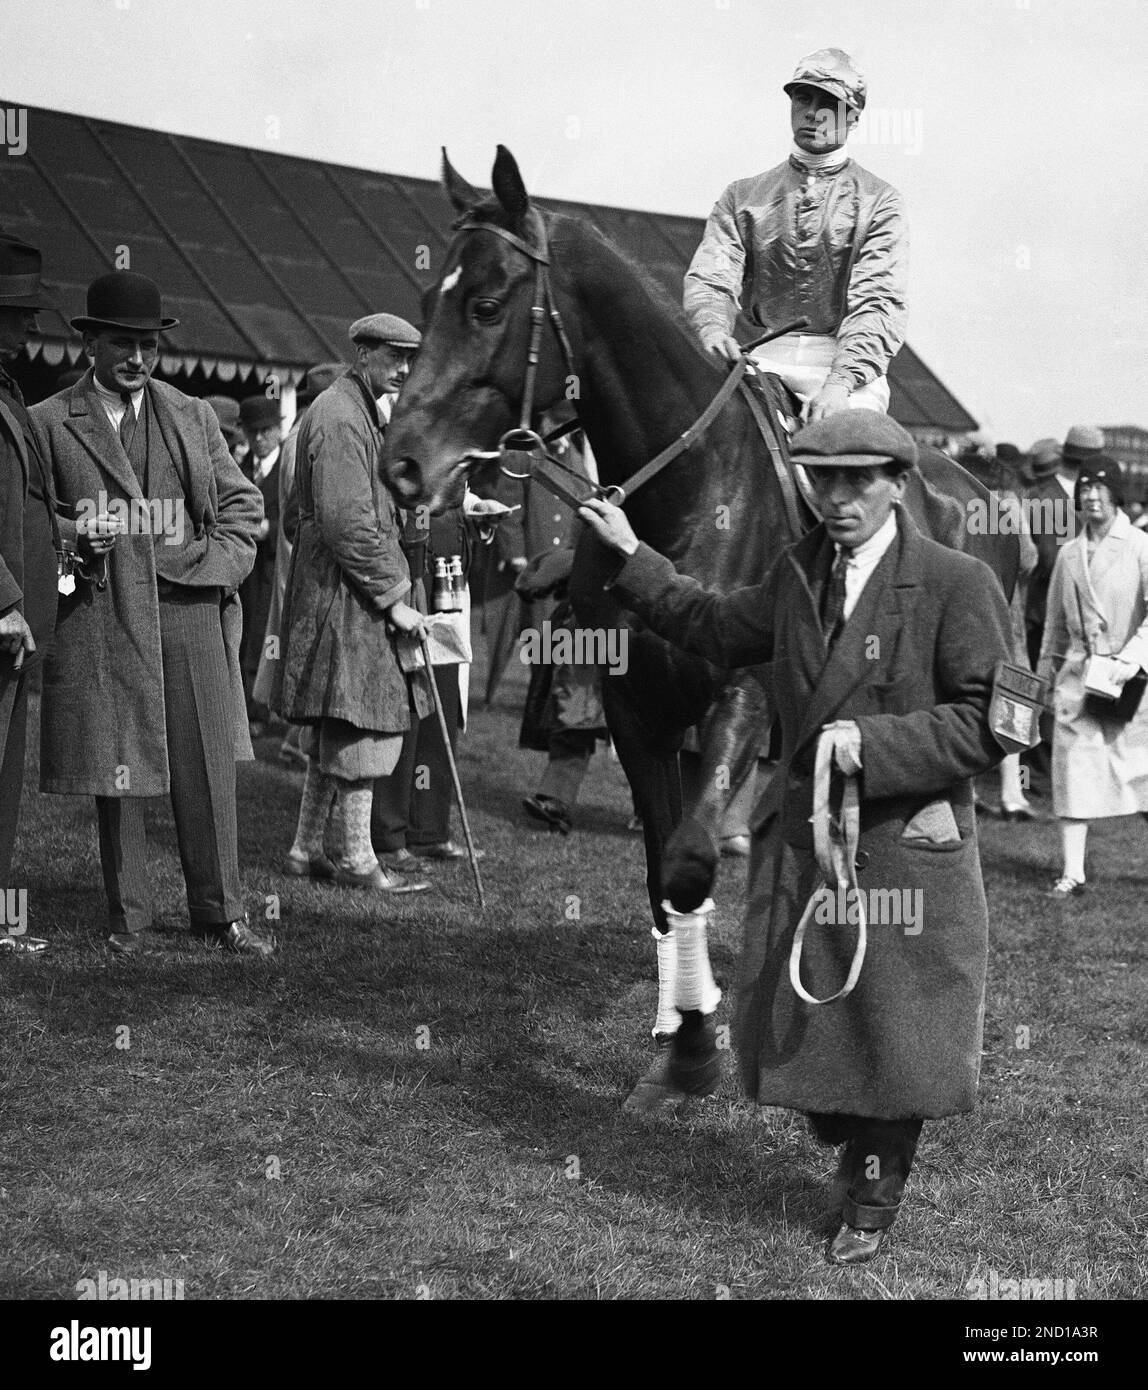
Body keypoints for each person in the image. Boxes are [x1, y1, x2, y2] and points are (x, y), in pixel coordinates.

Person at [580, 410, 1012, 1266]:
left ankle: (872, 1199)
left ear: (898, 484)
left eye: (858, 480)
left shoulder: (959, 582)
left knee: (899, 1034)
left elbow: (998, 722)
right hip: (809, 841)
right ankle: (846, 1129)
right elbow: (710, 625)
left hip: (905, 844)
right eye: (824, 480)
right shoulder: (796, 573)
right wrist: (633, 555)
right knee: (814, 1021)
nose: (838, 498)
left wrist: (875, 745)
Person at [30, 271, 272, 956]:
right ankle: (128, 919)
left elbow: (243, 508)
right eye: (123, 344)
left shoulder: (190, 414)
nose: (137, 358)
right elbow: (27, 517)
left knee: (207, 766)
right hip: (106, 618)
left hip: (189, 615)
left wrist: (211, 568)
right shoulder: (50, 423)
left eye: (147, 345)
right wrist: (75, 534)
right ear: (92, 343)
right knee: (120, 766)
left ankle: (221, 914)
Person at [273, 313, 431, 894]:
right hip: (352, 595)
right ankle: (361, 861)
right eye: (394, 356)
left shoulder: (352, 408)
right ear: (363, 353)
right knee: (364, 719)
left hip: (340, 588)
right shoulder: (342, 416)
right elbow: (345, 522)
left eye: (410, 358)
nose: (405, 368)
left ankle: (304, 849)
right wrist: (395, 598)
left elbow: (301, 519)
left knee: (337, 724)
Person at [684, 47, 907, 420]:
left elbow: (877, 302)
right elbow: (712, 278)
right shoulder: (742, 196)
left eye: (829, 103)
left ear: (853, 116)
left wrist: (840, 383)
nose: (813, 112)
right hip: (764, 357)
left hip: (844, 368)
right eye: (803, 97)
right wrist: (712, 330)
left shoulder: (880, 201)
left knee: (847, 456)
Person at [1037, 456, 1148, 898]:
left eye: (1101, 488)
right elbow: (1054, 625)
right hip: (1078, 680)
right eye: (1084, 488)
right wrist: (1044, 673)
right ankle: (1073, 871)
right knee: (1072, 772)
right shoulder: (1068, 553)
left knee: (1140, 775)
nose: (1092, 496)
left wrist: (1133, 657)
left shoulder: (1140, 545)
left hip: (1130, 683)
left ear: (1117, 494)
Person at [0, 232, 58, 955]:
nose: (25, 329)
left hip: (13, 625)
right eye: (14, 314)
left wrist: (69, 531)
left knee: (7, 773)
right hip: (3, 617)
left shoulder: (9, 390)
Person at [252, 362, 344, 768]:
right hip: (311, 563)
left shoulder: (293, 439)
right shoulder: (315, 438)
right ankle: (303, 738)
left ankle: (296, 734)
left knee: (293, 646)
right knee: (313, 651)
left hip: (294, 558)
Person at [237, 393, 282, 734]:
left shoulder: (288, 470)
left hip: (274, 567)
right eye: (253, 432)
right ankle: (243, 706)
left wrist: (272, 528)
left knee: (266, 637)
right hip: (244, 569)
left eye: (266, 431)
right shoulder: (240, 470)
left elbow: (298, 517)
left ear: (278, 431)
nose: (259, 439)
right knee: (242, 633)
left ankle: (261, 709)